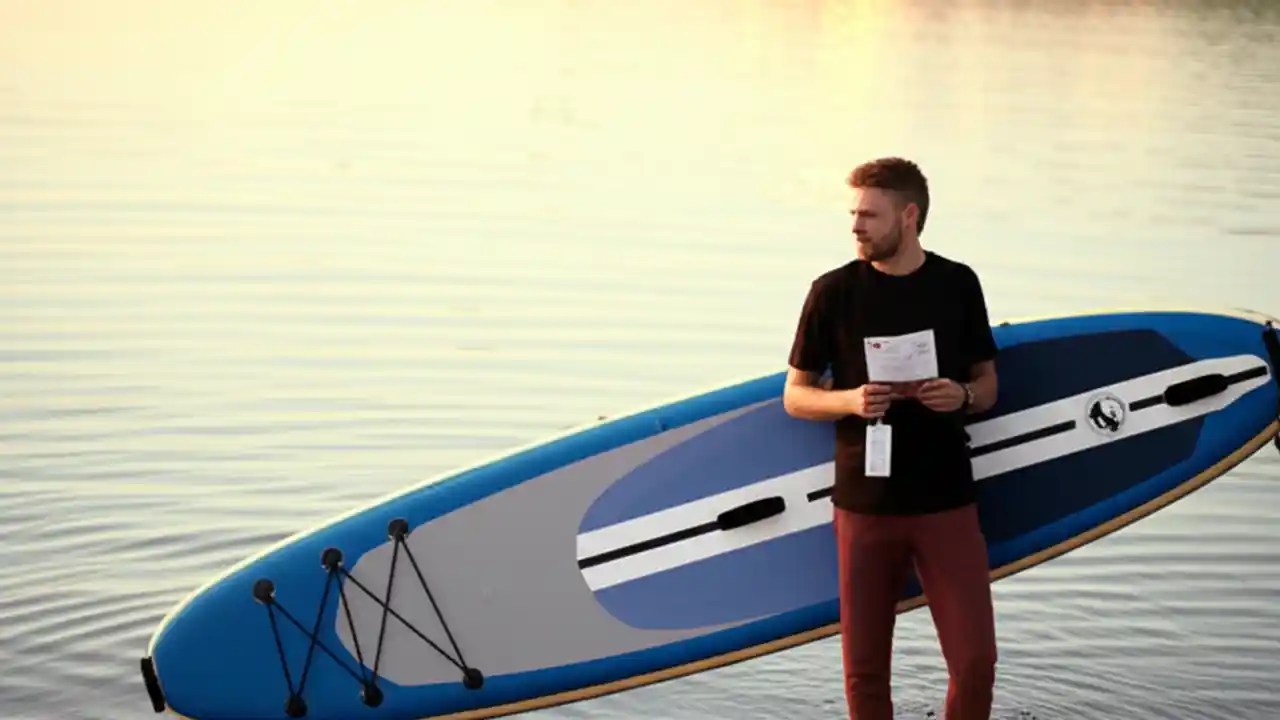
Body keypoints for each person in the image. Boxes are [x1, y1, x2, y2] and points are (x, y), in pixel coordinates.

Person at [782, 157, 1000, 720]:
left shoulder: (958, 284)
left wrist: (963, 397)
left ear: (908, 216)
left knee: (975, 662)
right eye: (853, 213)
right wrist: (850, 401)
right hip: (864, 504)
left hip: (946, 502)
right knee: (865, 673)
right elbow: (796, 396)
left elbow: (989, 385)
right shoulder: (831, 292)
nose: (856, 226)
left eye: (869, 215)